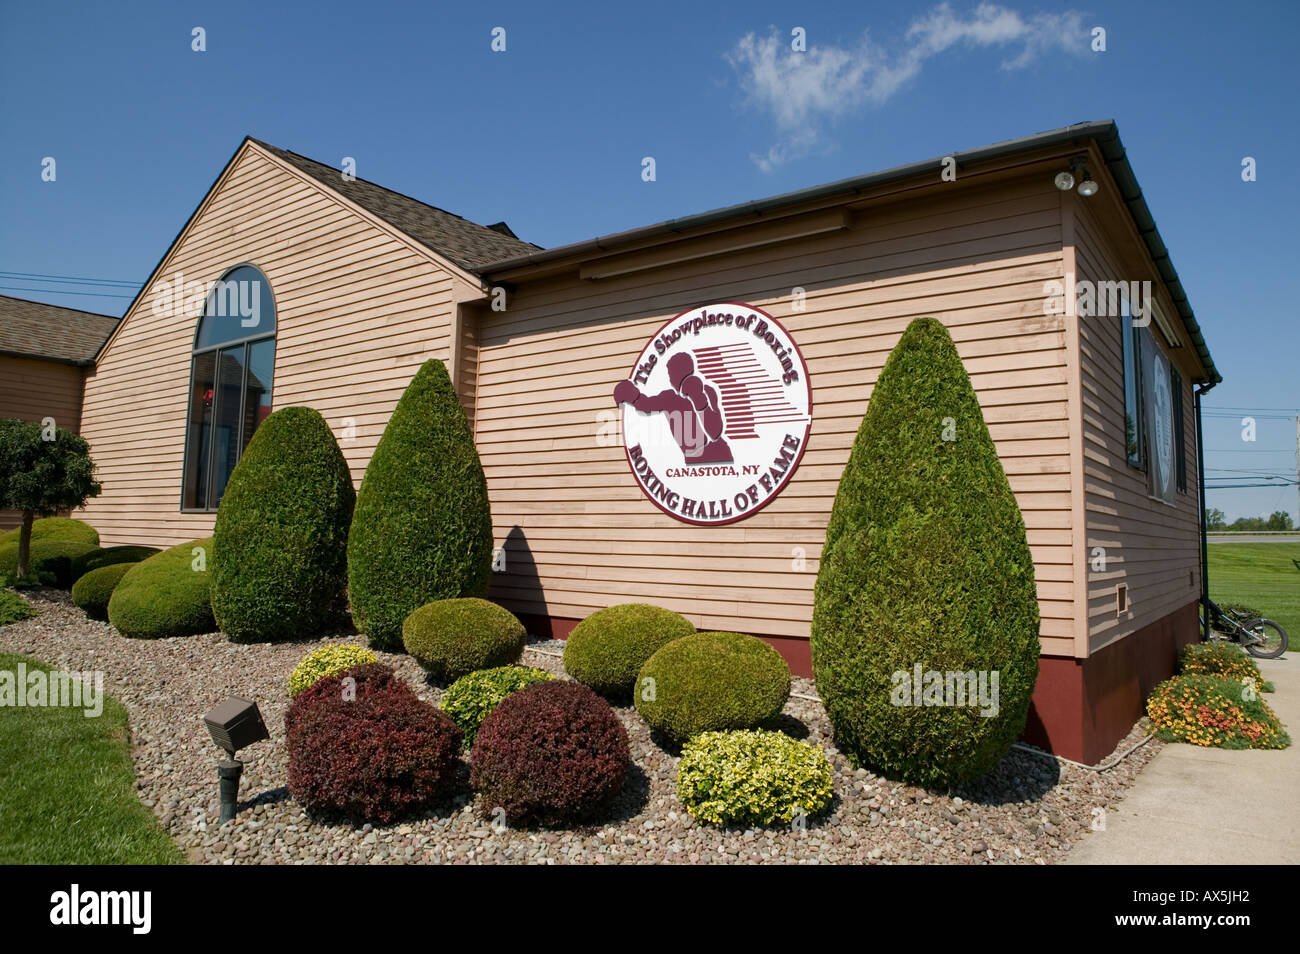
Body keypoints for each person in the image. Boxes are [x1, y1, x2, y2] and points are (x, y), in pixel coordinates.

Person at [613, 351, 733, 463]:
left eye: (671, 375)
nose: (670, 380)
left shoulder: (704, 392)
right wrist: (631, 394)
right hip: (698, 458)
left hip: (712, 455)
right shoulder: (671, 397)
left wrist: (698, 398)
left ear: (678, 375)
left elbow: (715, 432)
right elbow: (646, 405)